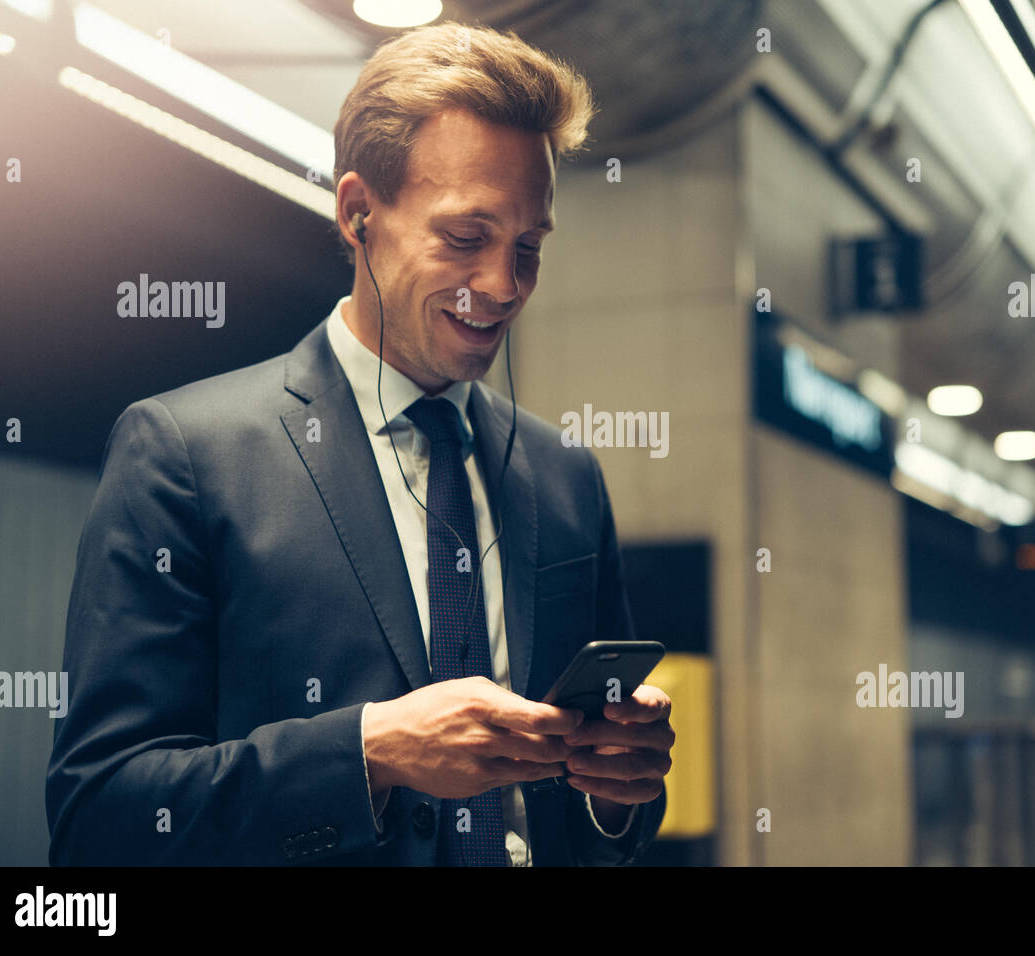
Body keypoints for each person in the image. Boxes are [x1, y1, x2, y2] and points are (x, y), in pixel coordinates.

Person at [46, 21, 672, 866]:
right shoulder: (184, 454)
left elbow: (591, 828)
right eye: (465, 238)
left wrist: (616, 793)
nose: (503, 285)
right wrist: (369, 753)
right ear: (356, 214)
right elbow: (100, 818)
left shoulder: (563, 476)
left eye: (528, 248)